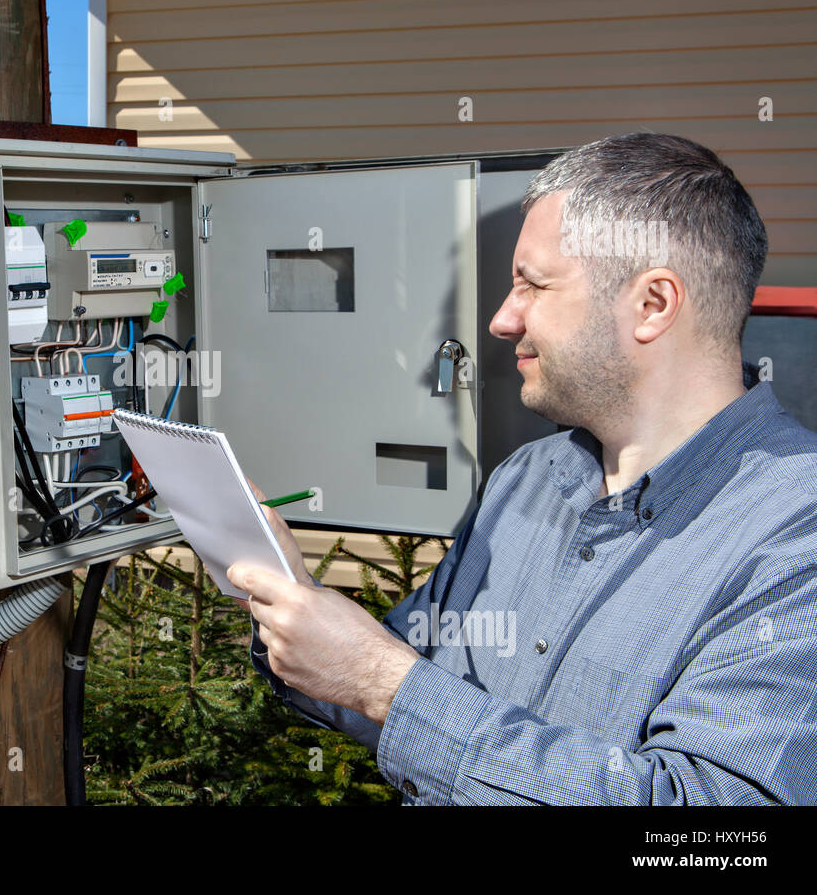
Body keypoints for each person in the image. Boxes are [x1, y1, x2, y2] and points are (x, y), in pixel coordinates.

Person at [228, 133, 817, 805]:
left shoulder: (794, 540)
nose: (503, 320)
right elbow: (412, 677)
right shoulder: (527, 478)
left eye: (532, 285)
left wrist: (384, 683)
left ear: (652, 305)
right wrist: (294, 604)